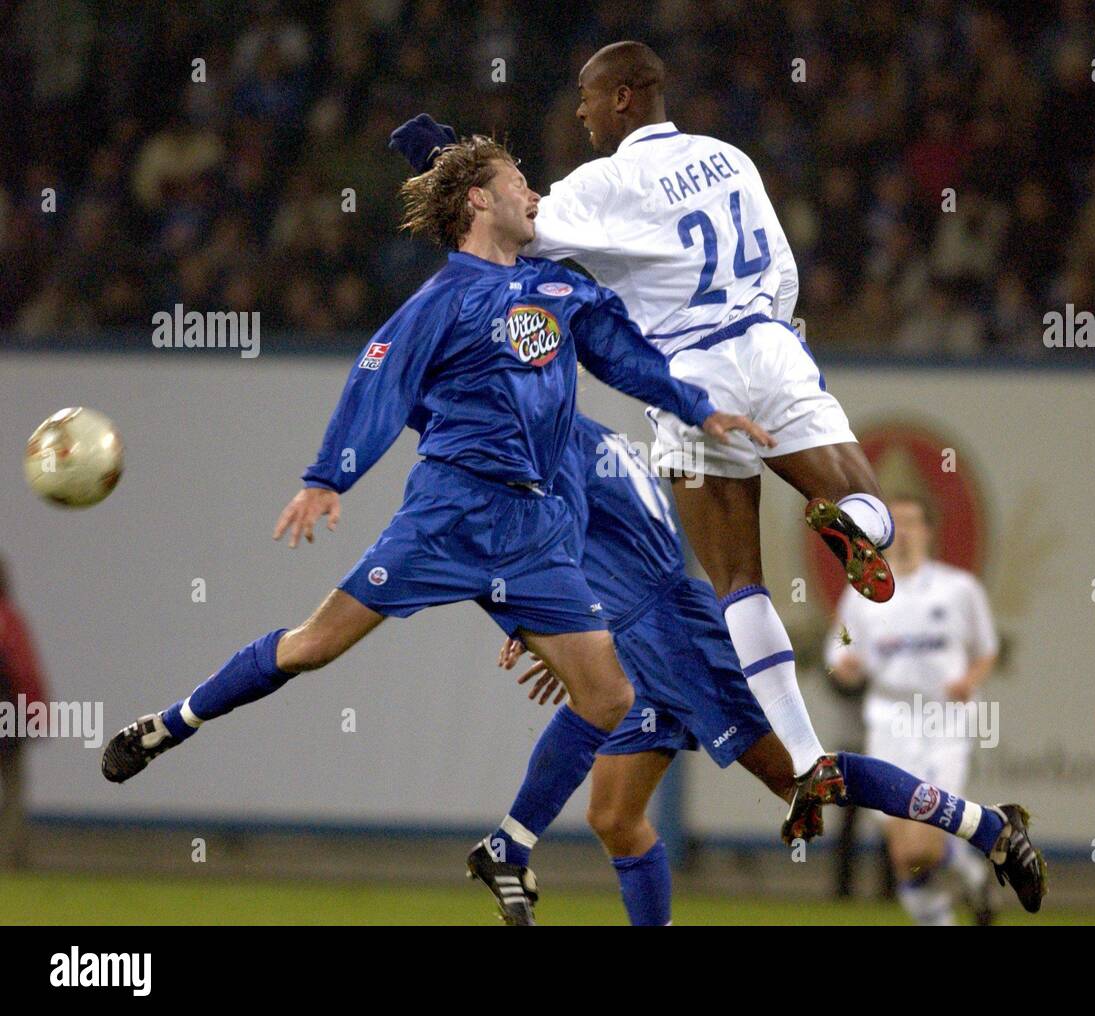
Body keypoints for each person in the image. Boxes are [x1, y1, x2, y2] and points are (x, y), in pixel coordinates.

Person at [101, 134, 769, 786]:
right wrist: (327, 479)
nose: (536, 195)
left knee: (607, 697)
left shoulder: (560, 291)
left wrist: (697, 407)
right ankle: (170, 723)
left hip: (530, 528)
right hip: (451, 510)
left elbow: (626, 357)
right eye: (519, 184)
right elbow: (379, 383)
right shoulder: (443, 300)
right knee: (314, 646)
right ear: (479, 200)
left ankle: (510, 846)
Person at [391, 41, 896, 839]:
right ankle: (857, 532)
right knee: (864, 495)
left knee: (738, 584)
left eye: (588, 96)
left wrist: (442, 154)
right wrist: (765, 327)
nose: (581, 110)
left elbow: (515, 221)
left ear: (626, 97)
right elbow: (785, 268)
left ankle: (804, 761)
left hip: (692, 371)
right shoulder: (731, 159)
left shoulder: (607, 181)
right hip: (769, 337)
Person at [466, 422, 1046, 924]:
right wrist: (574, 639)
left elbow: (558, 542)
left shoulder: (554, 441)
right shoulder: (585, 437)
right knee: (614, 815)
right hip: (632, 635)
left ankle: (988, 827)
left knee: (800, 781)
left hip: (667, 636)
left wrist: (550, 625)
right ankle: (511, 846)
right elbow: (601, 542)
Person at [826, 496, 1000, 925]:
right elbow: (839, 655)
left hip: (943, 717)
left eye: (912, 523)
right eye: (895, 524)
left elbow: (987, 650)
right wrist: (846, 667)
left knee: (924, 845)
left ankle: (963, 862)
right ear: (880, 536)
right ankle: (969, 874)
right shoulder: (863, 595)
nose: (904, 533)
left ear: (928, 531)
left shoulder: (958, 588)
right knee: (906, 856)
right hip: (888, 719)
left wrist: (969, 680)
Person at [0, 556, 50, 869]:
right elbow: (24, 671)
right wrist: (36, 713)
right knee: (14, 788)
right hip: (6, 715)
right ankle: (8, 856)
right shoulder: (8, 621)